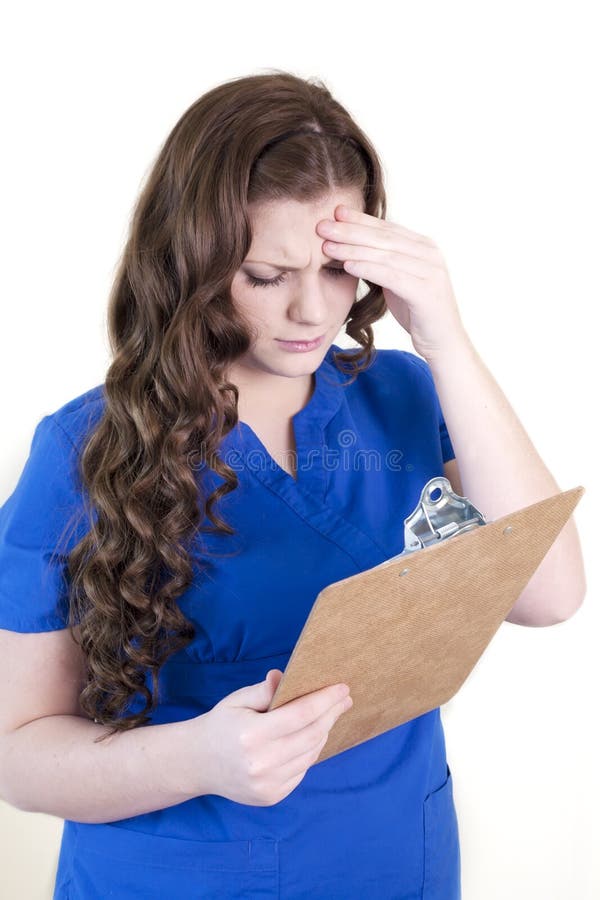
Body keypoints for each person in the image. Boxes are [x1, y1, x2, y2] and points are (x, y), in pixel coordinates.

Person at [0, 70, 585, 900]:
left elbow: (552, 593)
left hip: (388, 858)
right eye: (267, 277)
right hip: (175, 871)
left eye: (339, 269)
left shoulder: (409, 395)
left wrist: (445, 336)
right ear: (192, 265)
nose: (313, 311)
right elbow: (17, 756)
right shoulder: (82, 446)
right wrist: (198, 756)